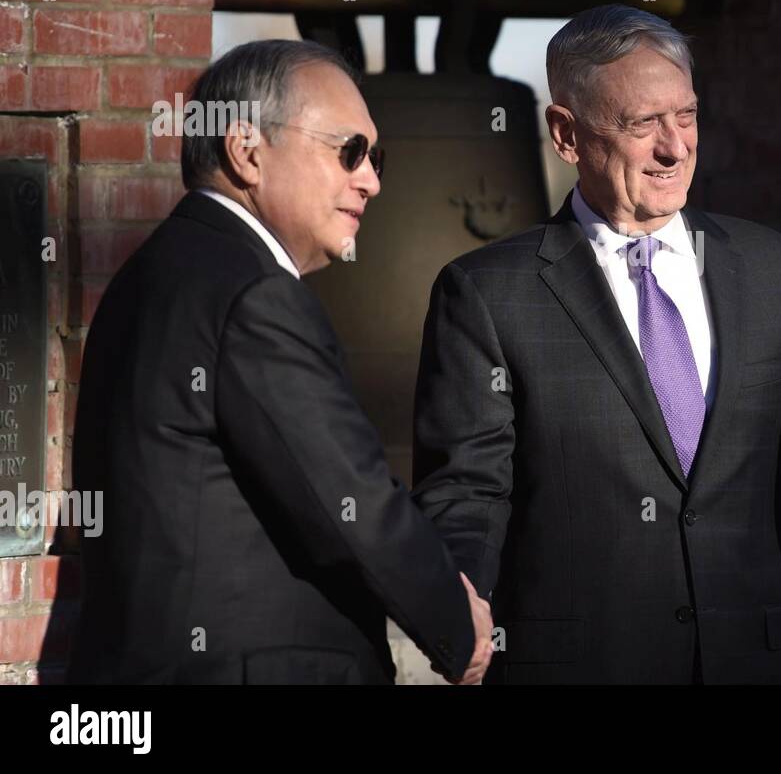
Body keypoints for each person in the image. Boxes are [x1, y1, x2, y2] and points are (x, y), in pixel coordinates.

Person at [412, 6, 781, 684]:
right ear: (565, 134)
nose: (674, 147)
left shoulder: (774, 271)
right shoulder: (486, 294)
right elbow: (468, 492)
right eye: (643, 124)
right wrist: (461, 596)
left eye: (686, 116)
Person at [68, 40, 491, 685]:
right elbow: (349, 498)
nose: (372, 180)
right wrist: (459, 626)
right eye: (349, 151)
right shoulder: (253, 290)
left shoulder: (153, 273)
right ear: (247, 151)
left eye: (376, 158)